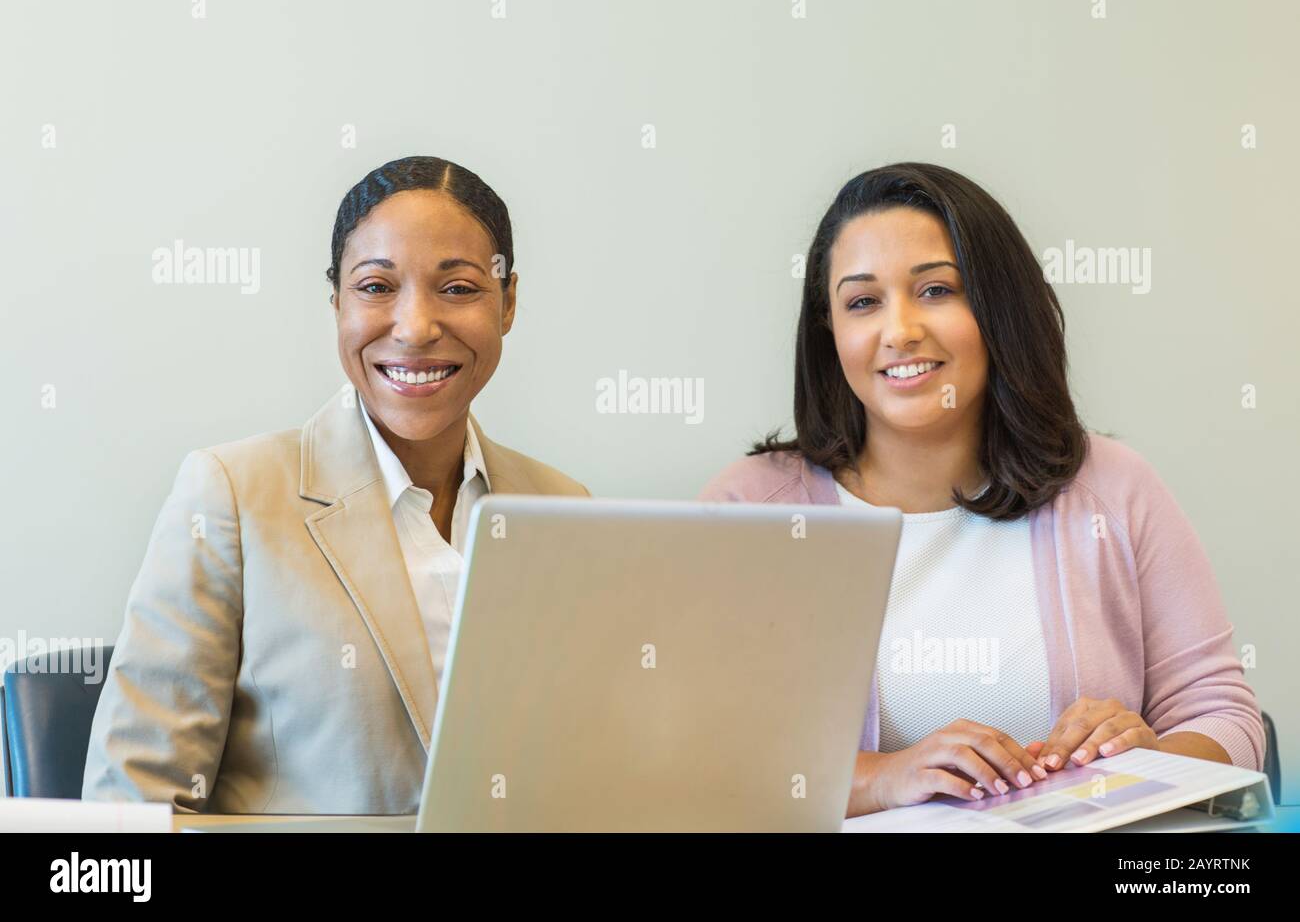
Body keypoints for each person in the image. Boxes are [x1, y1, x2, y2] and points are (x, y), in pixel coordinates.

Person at [698, 162, 1264, 817]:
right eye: (862, 302)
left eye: (936, 290)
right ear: (831, 332)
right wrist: (883, 778)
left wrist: (1146, 764)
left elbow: (1226, 718)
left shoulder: (1113, 488)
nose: (900, 330)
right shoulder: (752, 512)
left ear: (998, 305)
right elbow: (697, 757)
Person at [83, 155, 588, 813]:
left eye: (459, 288)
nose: (414, 326)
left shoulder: (564, 510)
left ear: (508, 302)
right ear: (337, 304)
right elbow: (133, 809)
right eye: (376, 287)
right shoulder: (233, 496)